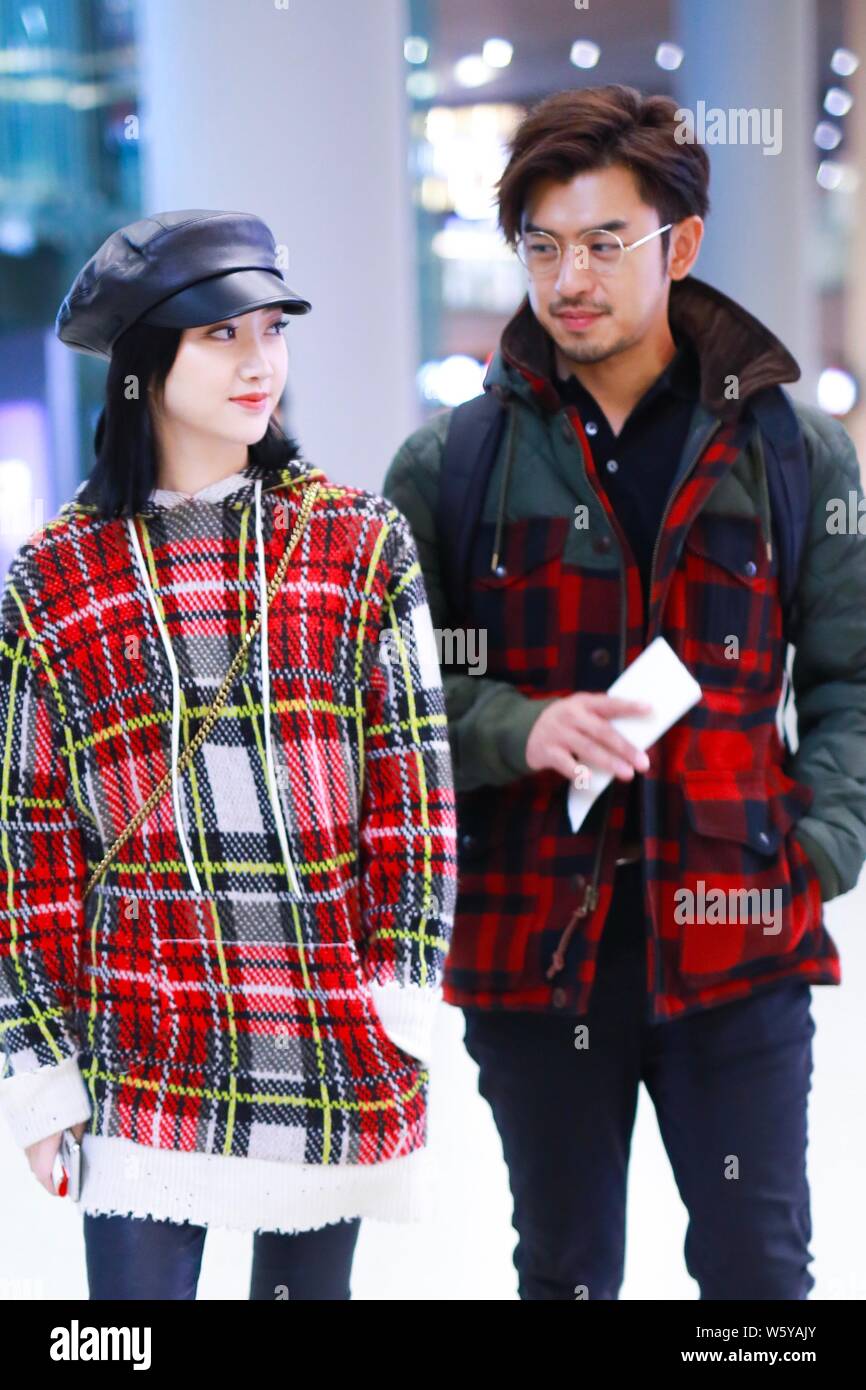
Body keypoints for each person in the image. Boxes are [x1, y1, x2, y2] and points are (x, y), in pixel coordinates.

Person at [382, 85, 866, 1300]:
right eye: (542, 247)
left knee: (758, 1278)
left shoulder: (793, 452)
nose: (568, 278)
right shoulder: (449, 466)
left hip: (738, 937)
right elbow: (387, 703)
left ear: (678, 245)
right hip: (534, 944)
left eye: (603, 242)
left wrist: (815, 846)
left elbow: (853, 675)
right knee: (565, 1272)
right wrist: (517, 723)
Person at [0, 209, 457, 1300]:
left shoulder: (355, 541)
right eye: (221, 335)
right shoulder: (54, 578)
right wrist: (39, 1063)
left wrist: (400, 978)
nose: (261, 363)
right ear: (143, 361)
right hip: (140, 1032)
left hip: (323, 1018)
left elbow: (413, 789)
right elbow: (30, 847)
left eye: (271, 329)